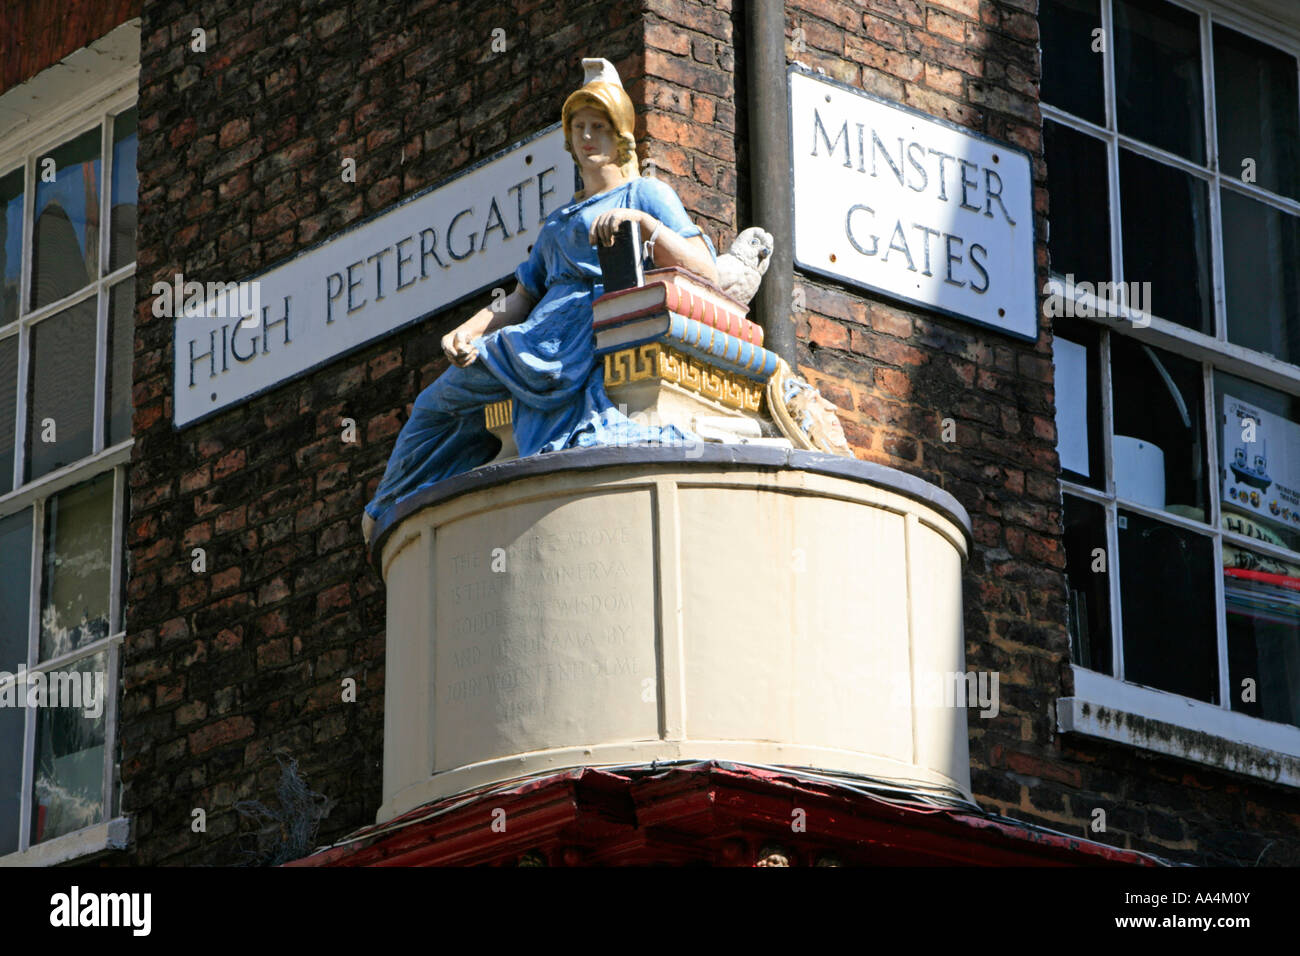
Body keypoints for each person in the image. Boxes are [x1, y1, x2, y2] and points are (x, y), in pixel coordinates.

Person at [362, 59, 718, 541]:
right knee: (435, 403)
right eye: (579, 128)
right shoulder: (557, 221)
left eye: (599, 127)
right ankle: (395, 506)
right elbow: (522, 297)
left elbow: (705, 268)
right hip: (533, 336)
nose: (588, 137)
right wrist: (469, 330)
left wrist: (646, 226)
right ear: (568, 139)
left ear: (621, 135)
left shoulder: (645, 193)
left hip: (592, 325)